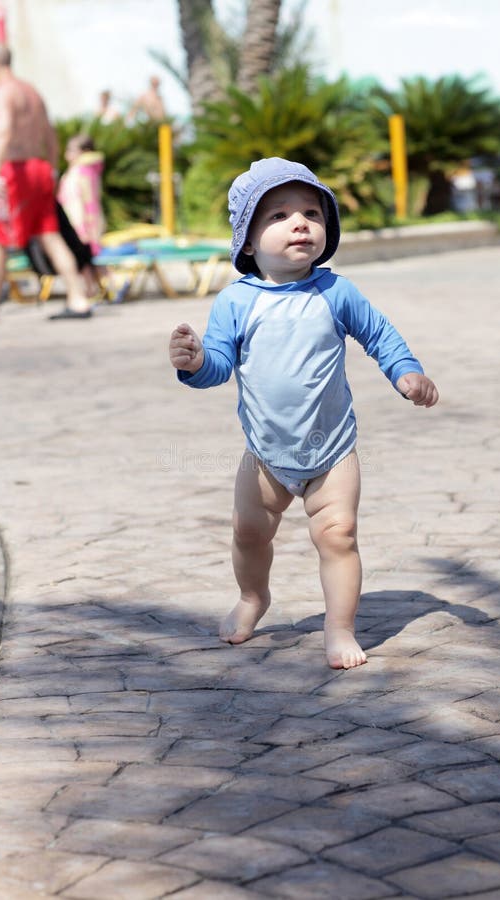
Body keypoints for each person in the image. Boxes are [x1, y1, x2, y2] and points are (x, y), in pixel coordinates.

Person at [169, 157, 439, 670]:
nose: (299, 223)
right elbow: (220, 366)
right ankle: (253, 598)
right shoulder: (235, 301)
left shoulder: (335, 292)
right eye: (278, 216)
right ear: (247, 242)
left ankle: (339, 628)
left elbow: (379, 335)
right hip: (267, 455)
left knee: (338, 535)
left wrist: (406, 372)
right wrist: (196, 361)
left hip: (332, 450)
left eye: (311, 213)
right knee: (248, 531)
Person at [0, 43, 91, 322]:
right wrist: (50, 168)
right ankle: (78, 298)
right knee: (49, 234)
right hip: (40, 168)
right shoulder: (32, 92)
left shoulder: (1, 94)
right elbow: (51, 136)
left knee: (0, 238)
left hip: (16, 170)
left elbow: (3, 131)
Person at [57, 133, 106, 297]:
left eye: (71, 150)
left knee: (85, 257)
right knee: (84, 258)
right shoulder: (76, 170)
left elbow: (90, 199)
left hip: (82, 221)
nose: (67, 154)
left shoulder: (85, 171)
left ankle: (93, 289)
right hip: (74, 219)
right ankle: (93, 288)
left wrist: (90, 224)